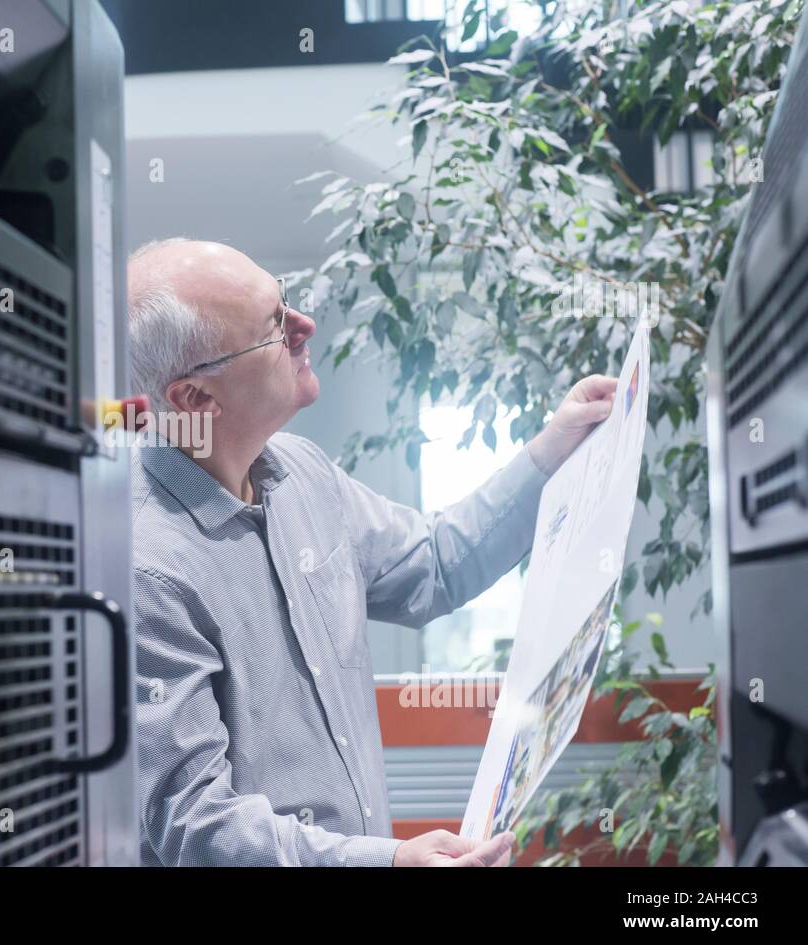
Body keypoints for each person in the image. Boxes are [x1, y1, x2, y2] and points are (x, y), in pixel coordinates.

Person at [127, 237, 616, 866]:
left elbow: (436, 564)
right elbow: (194, 821)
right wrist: (384, 862)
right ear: (195, 399)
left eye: (286, 303)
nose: (305, 327)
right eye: (274, 327)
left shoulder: (304, 474)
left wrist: (555, 447)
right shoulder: (147, 567)